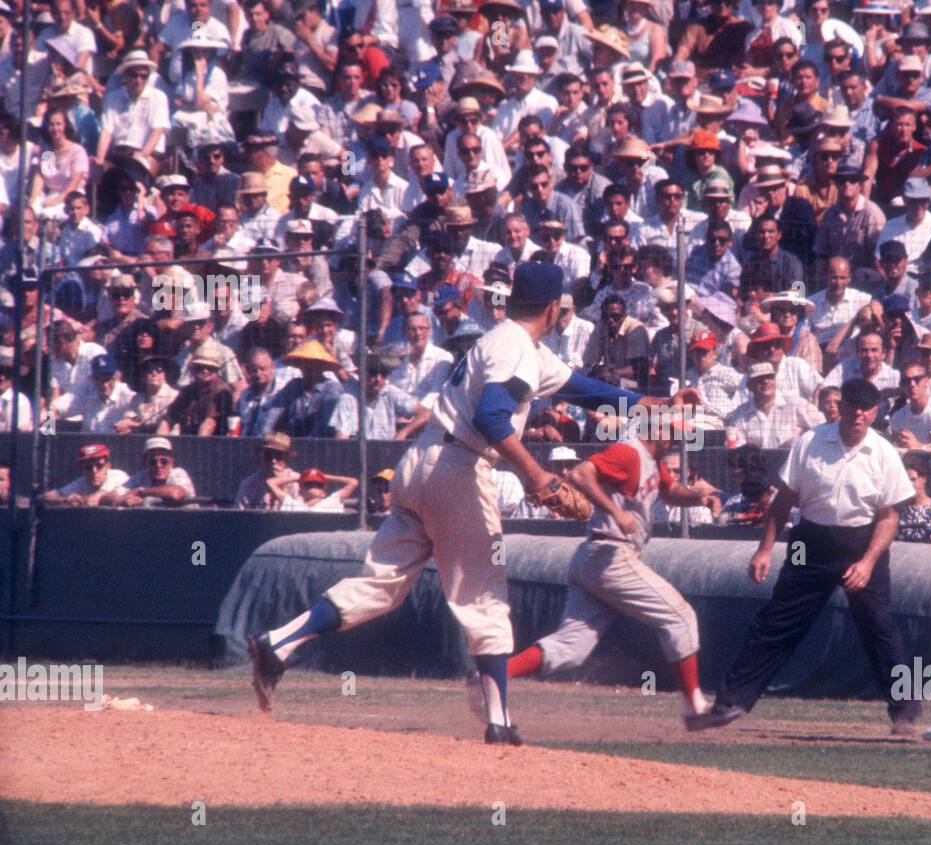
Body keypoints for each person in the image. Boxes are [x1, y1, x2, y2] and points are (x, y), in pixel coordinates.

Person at [246, 261, 698, 746]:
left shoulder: (512, 342)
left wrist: (647, 405)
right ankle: (499, 722)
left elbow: (580, 389)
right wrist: (536, 474)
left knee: (381, 585)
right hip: (458, 470)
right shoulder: (518, 350)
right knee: (485, 598)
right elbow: (492, 416)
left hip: (419, 464)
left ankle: (279, 642)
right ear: (553, 308)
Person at [688, 379, 922, 736]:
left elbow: (890, 516)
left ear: (875, 413)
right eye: (852, 405)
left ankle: (904, 711)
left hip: (863, 544)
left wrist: (868, 562)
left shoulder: (885, 453)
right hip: (809, 543)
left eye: (866, 408)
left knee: (879, 626)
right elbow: (784, 500)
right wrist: (764, 549)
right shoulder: (810, 442)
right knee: (776, 621)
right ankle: (730, 702)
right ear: (840, 406)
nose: (858, 413)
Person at [505, 415, 721, 727]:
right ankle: (695, 707)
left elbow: (670, 491)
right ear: (656, 430)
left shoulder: (650, 461)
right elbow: (580, 474)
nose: (675, 440)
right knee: (681, 616)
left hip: (593, 558)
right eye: (672, 433)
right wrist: (616, 511)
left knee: (571, 648)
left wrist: (698, 495)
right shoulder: (629, 453)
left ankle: (492, 674)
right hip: (610, 555)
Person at [112, 436, 196, 508]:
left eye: (164, 461)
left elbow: (176, 494)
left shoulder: (178, 473)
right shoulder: (141, 476)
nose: (158, 465)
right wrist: (125, 501)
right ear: (145, 463)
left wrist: (140, 492)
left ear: (171, 462)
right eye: (152, 462)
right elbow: (111, 497)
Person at [41, 443, 130, 506]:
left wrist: (78, 500)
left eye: (99, 466)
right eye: (88, 467)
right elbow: (43, 497)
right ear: (82, 469)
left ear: (108, 466)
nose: (94, 471)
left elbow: (94, 500)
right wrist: (63, 500)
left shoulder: (118, 475)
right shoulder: (82, 481)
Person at [896, 452, 931, 543]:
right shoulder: (897, 511)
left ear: (924, 478)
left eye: (913, 479)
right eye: (905, 480)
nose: (909, 484)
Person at [272, 467, 358, 512]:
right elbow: (271, 482)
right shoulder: (292, 504)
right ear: (300, 491)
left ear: (323, 493)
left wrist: (324, 476)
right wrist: (300, 477)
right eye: (308, 484)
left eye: (318, 484)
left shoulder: (331, 501)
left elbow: (353, 482)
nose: (313, 486)